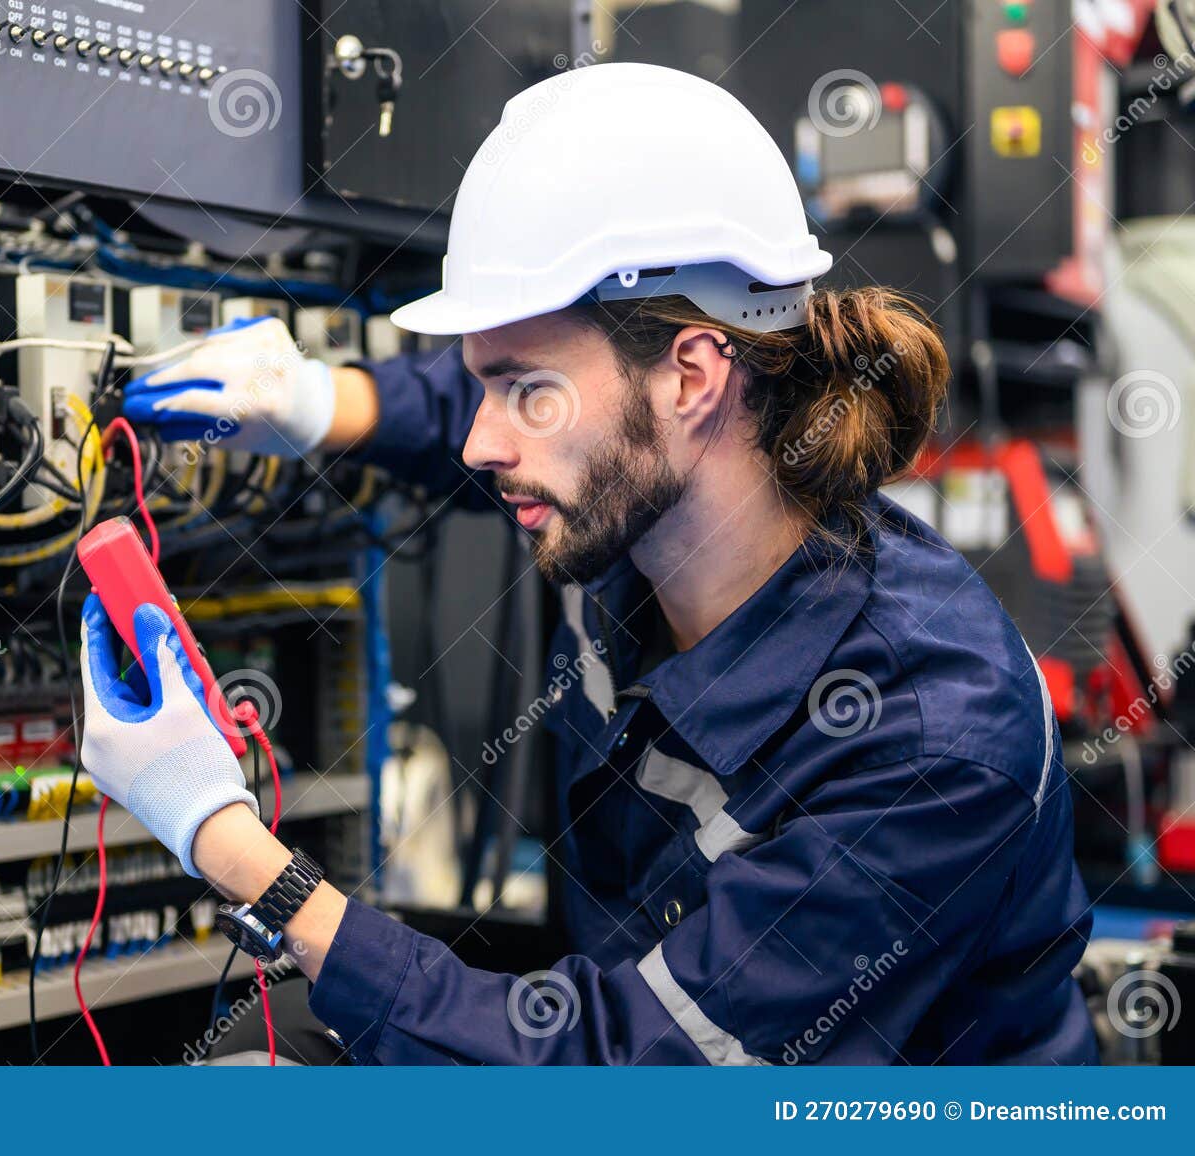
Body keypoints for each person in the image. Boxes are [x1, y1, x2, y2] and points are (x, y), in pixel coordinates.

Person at [80, 63, 1096, 1064]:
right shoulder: (636, 493)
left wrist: (223, 836)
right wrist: (314, 401)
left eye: (524, 389)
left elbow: (624, 1072)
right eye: (489, 383)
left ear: (693, 374)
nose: (482, 442)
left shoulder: (929, 738)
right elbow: (486, 403)